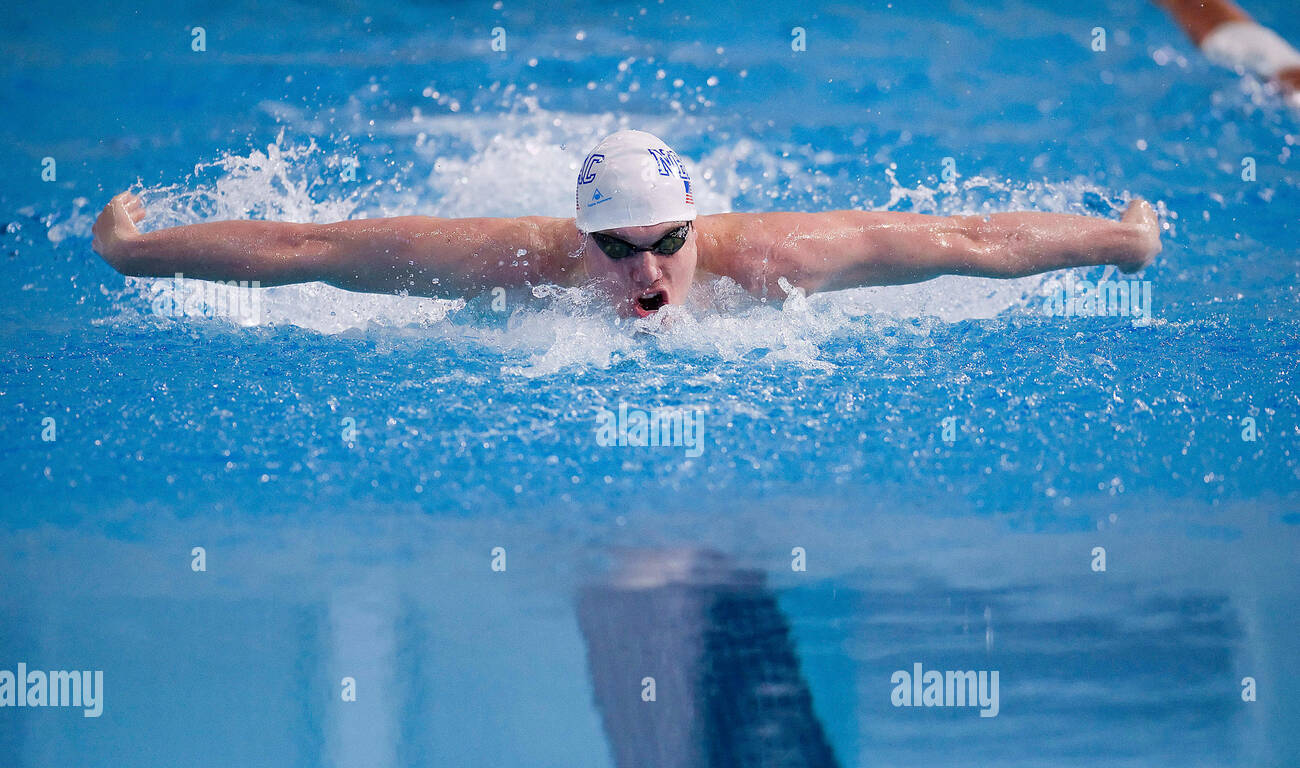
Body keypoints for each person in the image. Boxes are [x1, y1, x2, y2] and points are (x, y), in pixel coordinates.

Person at [92, 129, 1161, 320]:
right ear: (581, 238)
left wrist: (1122, 241)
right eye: (617, 248)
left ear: (698, 227)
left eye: (667, 242)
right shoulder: (516, 262)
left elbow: (967, 242)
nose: (643, 268)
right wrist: (132, 253)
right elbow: (303, 252)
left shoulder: (778, 260)